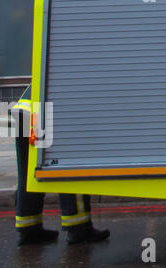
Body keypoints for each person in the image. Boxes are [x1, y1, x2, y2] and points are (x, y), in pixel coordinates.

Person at [12, 94, 109, 246]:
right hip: (46, 112)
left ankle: (29, 230)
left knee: (28, 174)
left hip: (24, 112)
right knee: (69, 168)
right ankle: (79, 229)